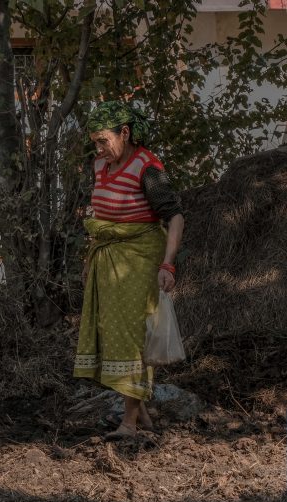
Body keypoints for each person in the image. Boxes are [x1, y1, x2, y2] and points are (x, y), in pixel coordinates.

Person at [74, 101, 185, 439]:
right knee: (113, 333)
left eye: (104, 140)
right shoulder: (99, 166)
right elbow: (103, 215)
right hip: (107, 261)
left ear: (125, 133)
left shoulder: (148, 167)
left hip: (140, 260)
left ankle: (129, 424)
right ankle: (142, 415)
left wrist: (168, 264)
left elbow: (175, 216)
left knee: (133, 338)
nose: (99, 148)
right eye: (95, 141)